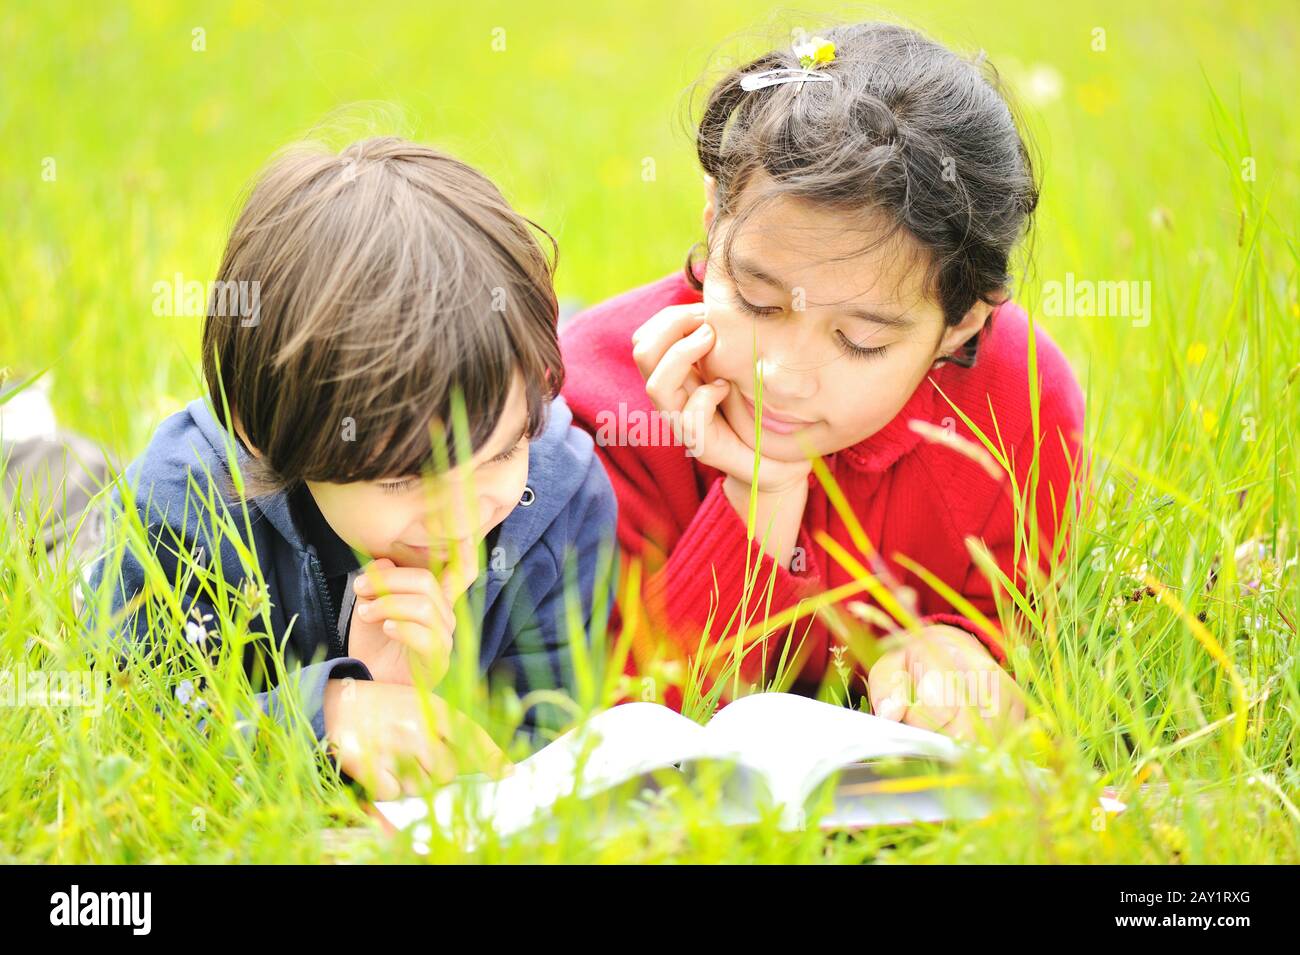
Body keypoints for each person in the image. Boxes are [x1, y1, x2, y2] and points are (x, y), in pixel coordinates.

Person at [560, 23, 1086, 740]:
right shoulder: (596, 407)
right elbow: (623, 717)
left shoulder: (1019, 407)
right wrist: (761, 495)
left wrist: (964, 649)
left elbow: (1019, 628)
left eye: (861, 340)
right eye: (755, 300)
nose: (781, 376)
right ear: (713, 216)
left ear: (961, 325)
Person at [89, 137, 618, 797]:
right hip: (107, 519)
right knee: (63, 505)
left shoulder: (559, 504)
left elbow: (546, 746)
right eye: (402, 477)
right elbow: (130, 727)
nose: (460, 511)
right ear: (263, 433)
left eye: (503, 450)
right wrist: (328, 710)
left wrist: (427, 693)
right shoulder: (184, 506)